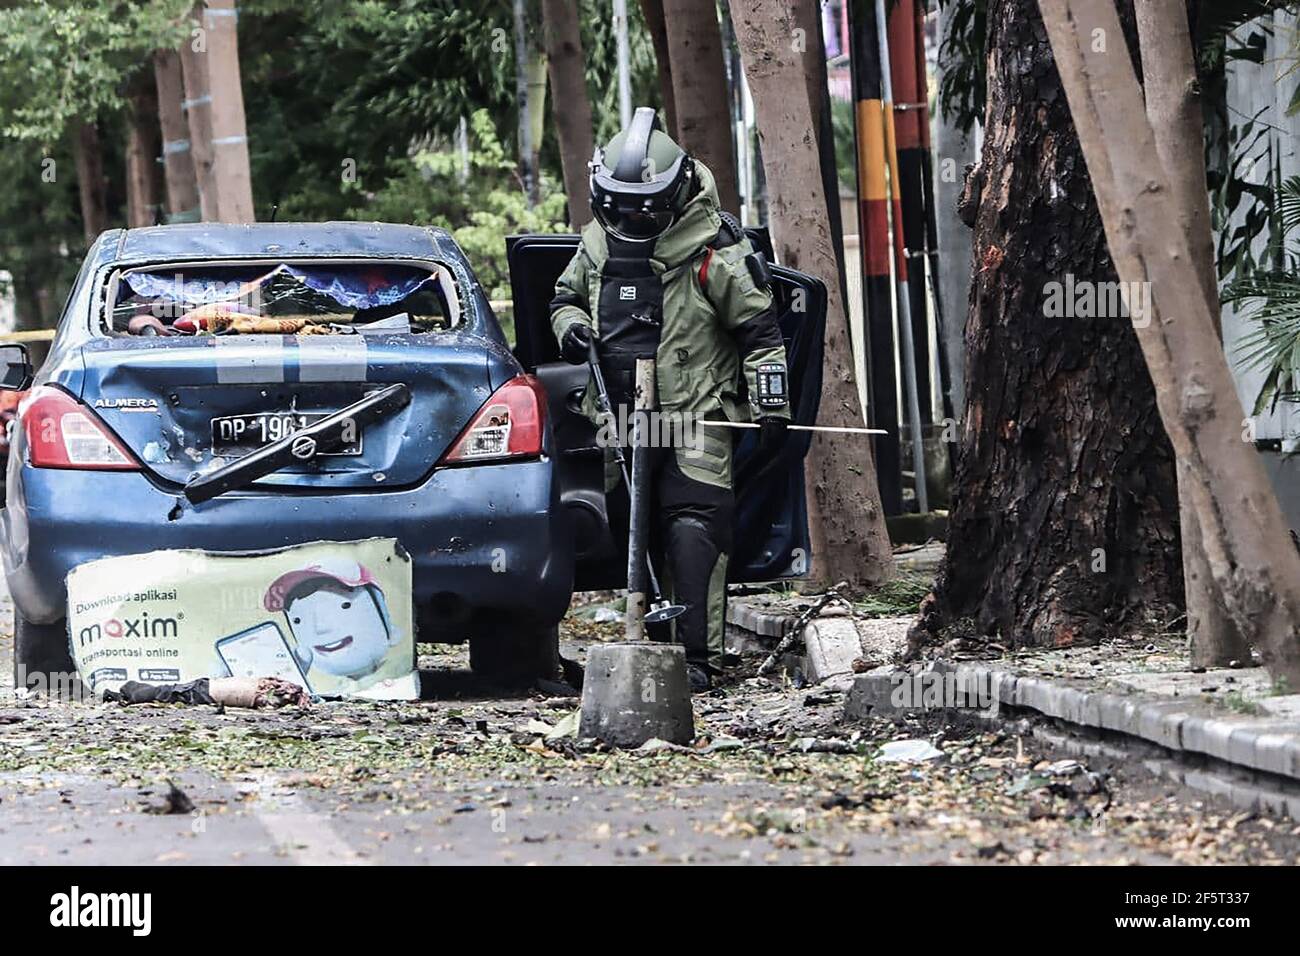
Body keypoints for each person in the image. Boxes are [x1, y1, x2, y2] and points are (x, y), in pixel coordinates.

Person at [549, 107, 792, 692]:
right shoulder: (594, 248)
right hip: (619, 418)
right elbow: (562, 297)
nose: (632, 215)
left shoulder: (716, 253)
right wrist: (571, 327)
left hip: (696, 416)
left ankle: (700, 659)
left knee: (694, 527)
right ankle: (642, 644)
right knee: (612, 525)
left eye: (644, 206)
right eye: (621, 204)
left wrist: (772, 408)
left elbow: (761, 334)